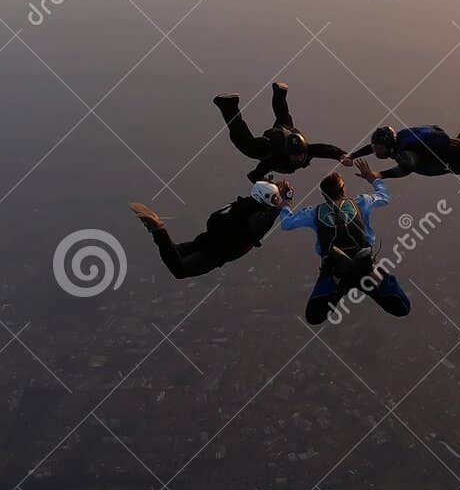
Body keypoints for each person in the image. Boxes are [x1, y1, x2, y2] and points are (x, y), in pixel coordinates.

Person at [279, 160, 411, 325]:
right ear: (343, 190)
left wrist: (286, 203)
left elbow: (287, 223)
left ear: (323, 195)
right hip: (364, 264)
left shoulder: (314, 213)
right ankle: (370, 273)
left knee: (314, 316)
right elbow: (384, 197)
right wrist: (373, 179)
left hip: (334, 268)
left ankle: (337, 279)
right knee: (402, 307)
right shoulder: (362, 202)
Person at [129, 179, 291, 280]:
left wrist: (274, 191)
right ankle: (158, 229)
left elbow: (265, 196)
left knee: (176, 251)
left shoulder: (246, 203)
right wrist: (283, 203)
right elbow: (265, 222)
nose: (276, 200)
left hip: (208, 239)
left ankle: (157, 229)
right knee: (180, 270)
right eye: (274, 198)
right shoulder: (259, 217)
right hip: (218, 251)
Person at [345, 86, 460, 179]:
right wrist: (352, 155)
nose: (376, 152)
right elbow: (373, 146)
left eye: (378, 149)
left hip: (457, 159)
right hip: (453, 144)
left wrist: (380, 175)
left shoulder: (404, 153)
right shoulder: (401, 137)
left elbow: (405, 168)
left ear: (388, 145)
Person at [214, 82, 348, 183]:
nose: (300, 158)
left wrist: (341, 155)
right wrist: (341, 155)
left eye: (301, 155)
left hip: (288, 132)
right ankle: (228, 105)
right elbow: (257, 172)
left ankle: (280, 91)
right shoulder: (275, 157)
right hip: (272, 142)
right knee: (248, 146)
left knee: (283, 117)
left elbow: (324, 149)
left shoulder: (306, 150)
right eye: (297, 156)